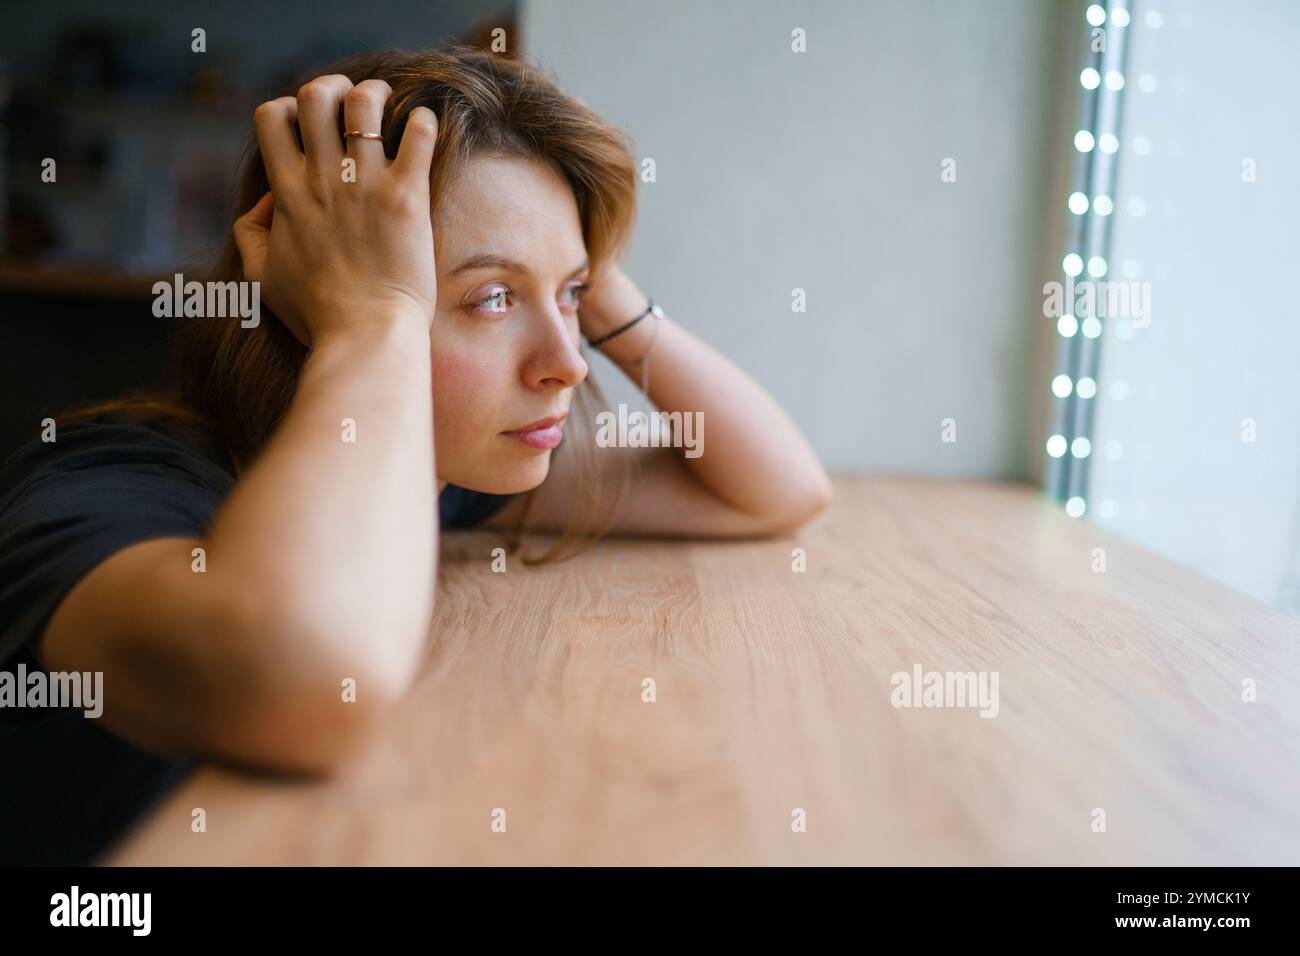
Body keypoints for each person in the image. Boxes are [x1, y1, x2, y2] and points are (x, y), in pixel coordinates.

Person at [0, 44, 830, 863]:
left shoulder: (439, 467)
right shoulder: (105, 488)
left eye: (572, 298)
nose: (570, 363)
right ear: (313, 287)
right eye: (492, 298)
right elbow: (296, 687)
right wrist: (372, 318)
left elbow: (775, 489)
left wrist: (584, 272)